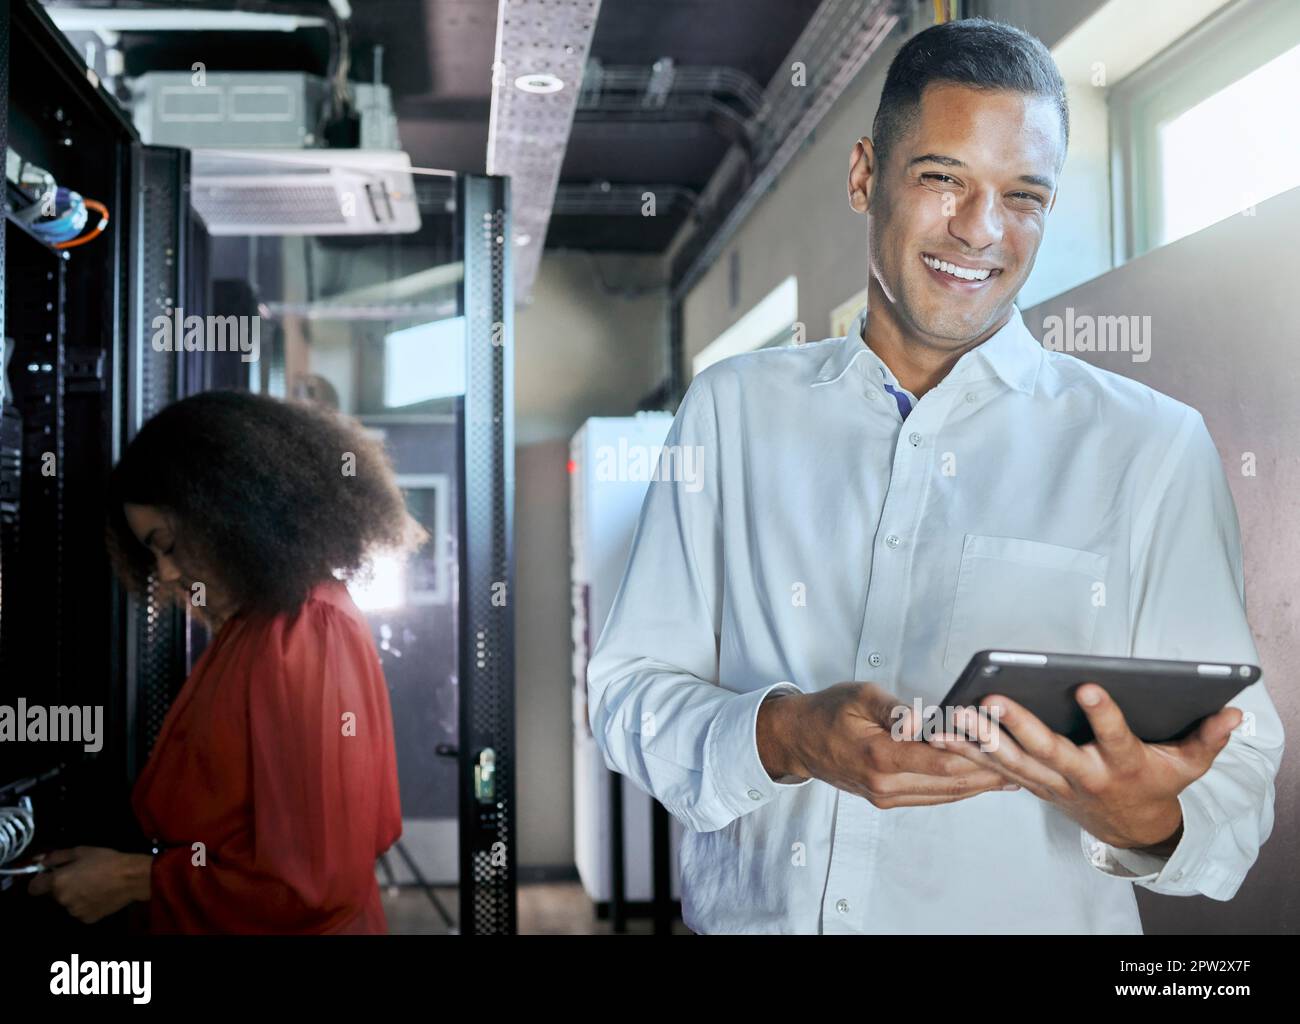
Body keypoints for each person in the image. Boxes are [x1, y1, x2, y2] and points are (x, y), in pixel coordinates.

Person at [586, 18, 1284, 934]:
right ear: (865, 176)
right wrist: (785, 736)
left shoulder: (1151, 448)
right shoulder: (731, 412)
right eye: (943, 178)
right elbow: (629, 691)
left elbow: (1238, 770)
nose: (981, 230)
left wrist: (1150, 818)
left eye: (1023, 195)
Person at [29, 390, 419, 933]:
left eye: (166, 544)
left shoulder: (305, 629)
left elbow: (312, 883)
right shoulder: (260, 624)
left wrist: (133, 879)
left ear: (229, 512)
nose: (165, 573)